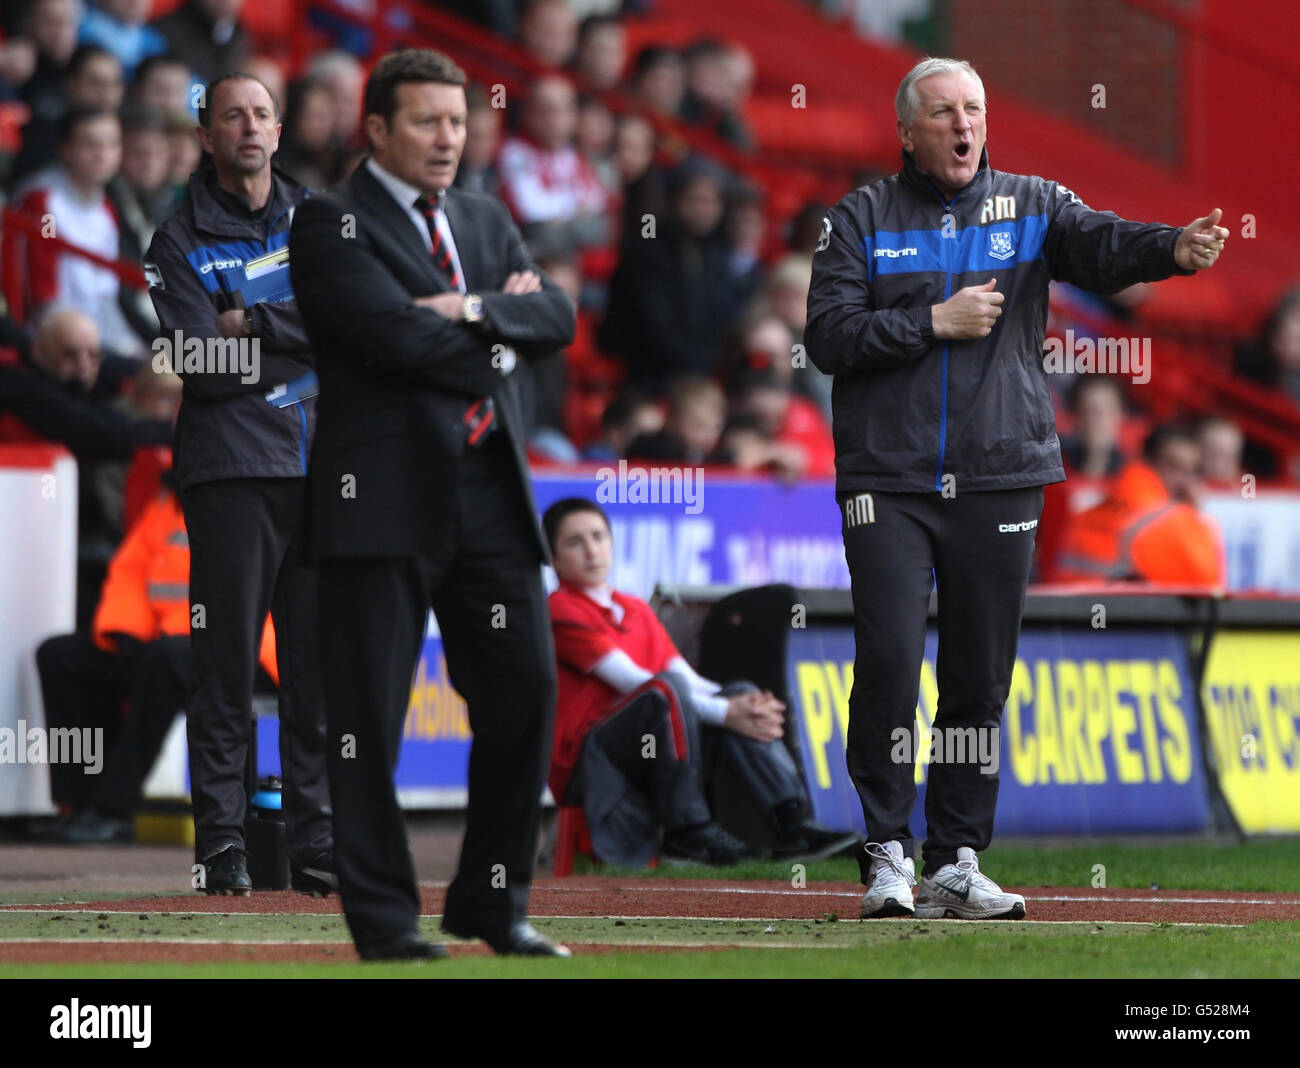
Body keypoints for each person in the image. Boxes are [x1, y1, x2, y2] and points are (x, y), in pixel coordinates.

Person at [804, 57, 1228, 921]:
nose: (963, 124)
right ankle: (886, 849)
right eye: (943, 111)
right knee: (889, 656)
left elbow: (1100, 243)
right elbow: (828, 336)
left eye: (974, 109)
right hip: (890, 475)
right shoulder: (859, 217)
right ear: (907, 131)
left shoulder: (1033, 203)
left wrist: (1171, 251)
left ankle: (955, 857)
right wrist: (932, 322)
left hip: (1001, 472)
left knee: (977, 677)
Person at [288, 48, 576, 961]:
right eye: (427, 121)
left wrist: (467, 310)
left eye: (457, 121)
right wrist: (498, 327)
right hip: (380, 497)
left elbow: (559, 318)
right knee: (368, 718)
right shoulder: (330, 221)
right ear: (376, 129)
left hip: (491, 492)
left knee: (525, 690)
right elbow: (394, 338)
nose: (449, 138)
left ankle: (492, 904)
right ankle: (381, 921)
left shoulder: (487, 218)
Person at [144, 72, 333, 898]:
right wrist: (305, 333)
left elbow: (358, 325)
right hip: (230, 474)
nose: (249, 127)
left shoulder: (324, 220)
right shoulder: (175, 238)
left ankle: (316, 845)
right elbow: (199, 365)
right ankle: (221, 846)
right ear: (207, 135)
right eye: (232, 115)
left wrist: (252, 320)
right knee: (226, 668)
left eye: (261, 113)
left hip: (327, 470)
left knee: (317, 671)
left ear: (280, 130)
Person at [545, 497, 857, 866]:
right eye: (574, 542)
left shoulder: (635, 609)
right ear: (554, 559)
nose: (591, 550)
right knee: (667, 692)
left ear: (612, 543)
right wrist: (726, 713)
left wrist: (745, 706)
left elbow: (686, 677)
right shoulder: (560, 608)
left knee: (738, 690)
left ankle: (790, 823)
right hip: (589, 760)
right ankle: (687, 832)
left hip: (653, 744)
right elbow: (632, 681)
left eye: (598, 537)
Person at [35, 471, 280, 844]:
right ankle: (80, 805)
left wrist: (167, 635)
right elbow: (131, 570)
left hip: (250, 649)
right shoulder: (169, 500)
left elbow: (233, 590)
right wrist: (125, 631)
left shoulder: (245, 496)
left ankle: (113, 809)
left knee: (165, 660)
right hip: (168, 641)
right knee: (62, 657)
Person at [1054, 425, 1226, 586]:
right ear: (1147, 462)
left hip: (1066, 610)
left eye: (1191, 470)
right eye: (1173, 466)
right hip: (1116, 612)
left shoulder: (1101, 504)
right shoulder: (1177, 522)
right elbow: (1208, 586)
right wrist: (1195, 517)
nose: (1185, 481)